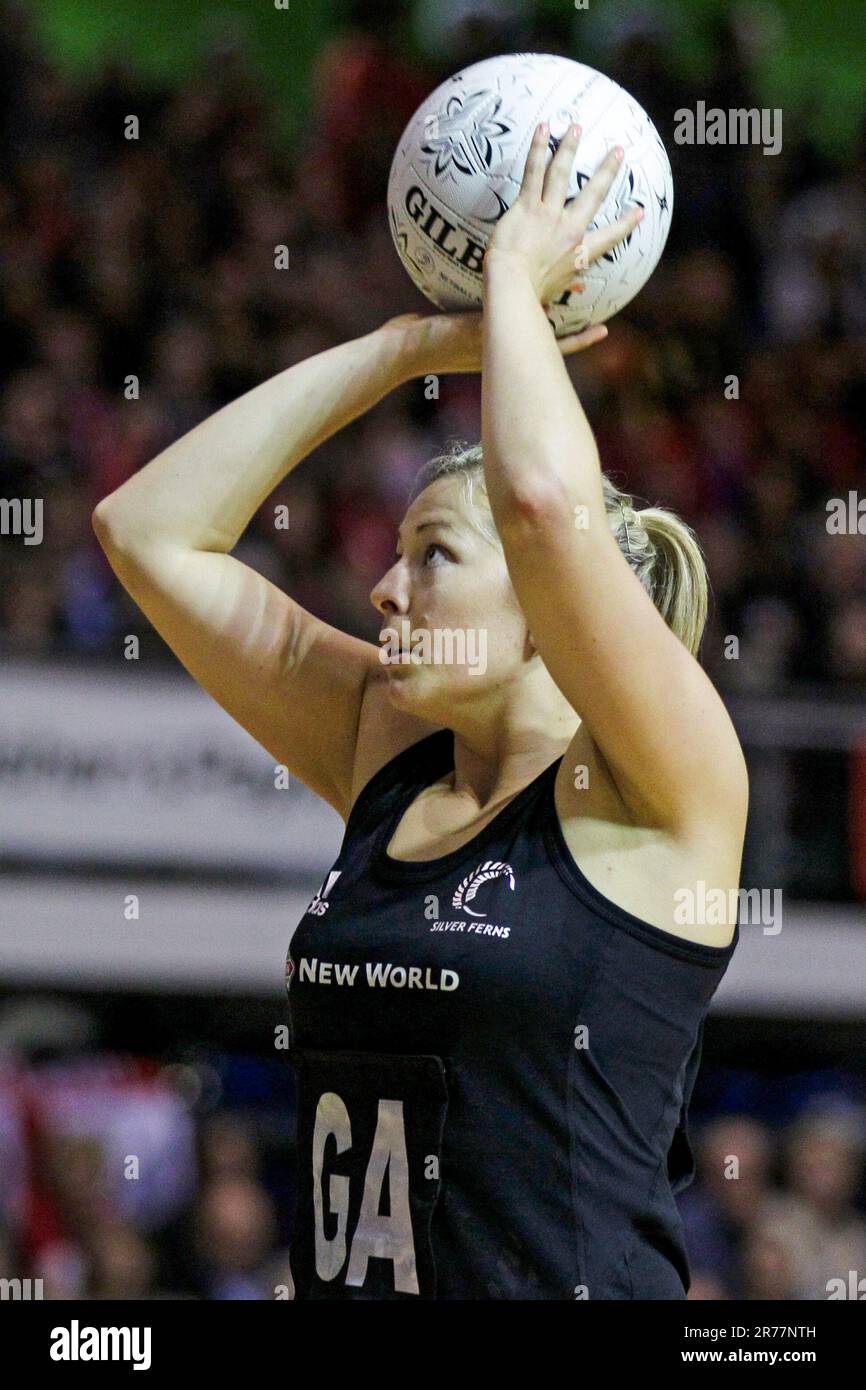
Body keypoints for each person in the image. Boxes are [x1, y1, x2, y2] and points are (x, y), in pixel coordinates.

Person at [93, 123, 748, 1299]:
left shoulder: (666, 784)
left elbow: (544, 501)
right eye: (393, 555)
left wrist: (508, 277)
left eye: (433, 553)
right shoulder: (389, 754)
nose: (385, 590)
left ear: (547, 603)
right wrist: (400, 350)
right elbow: (146, 533)